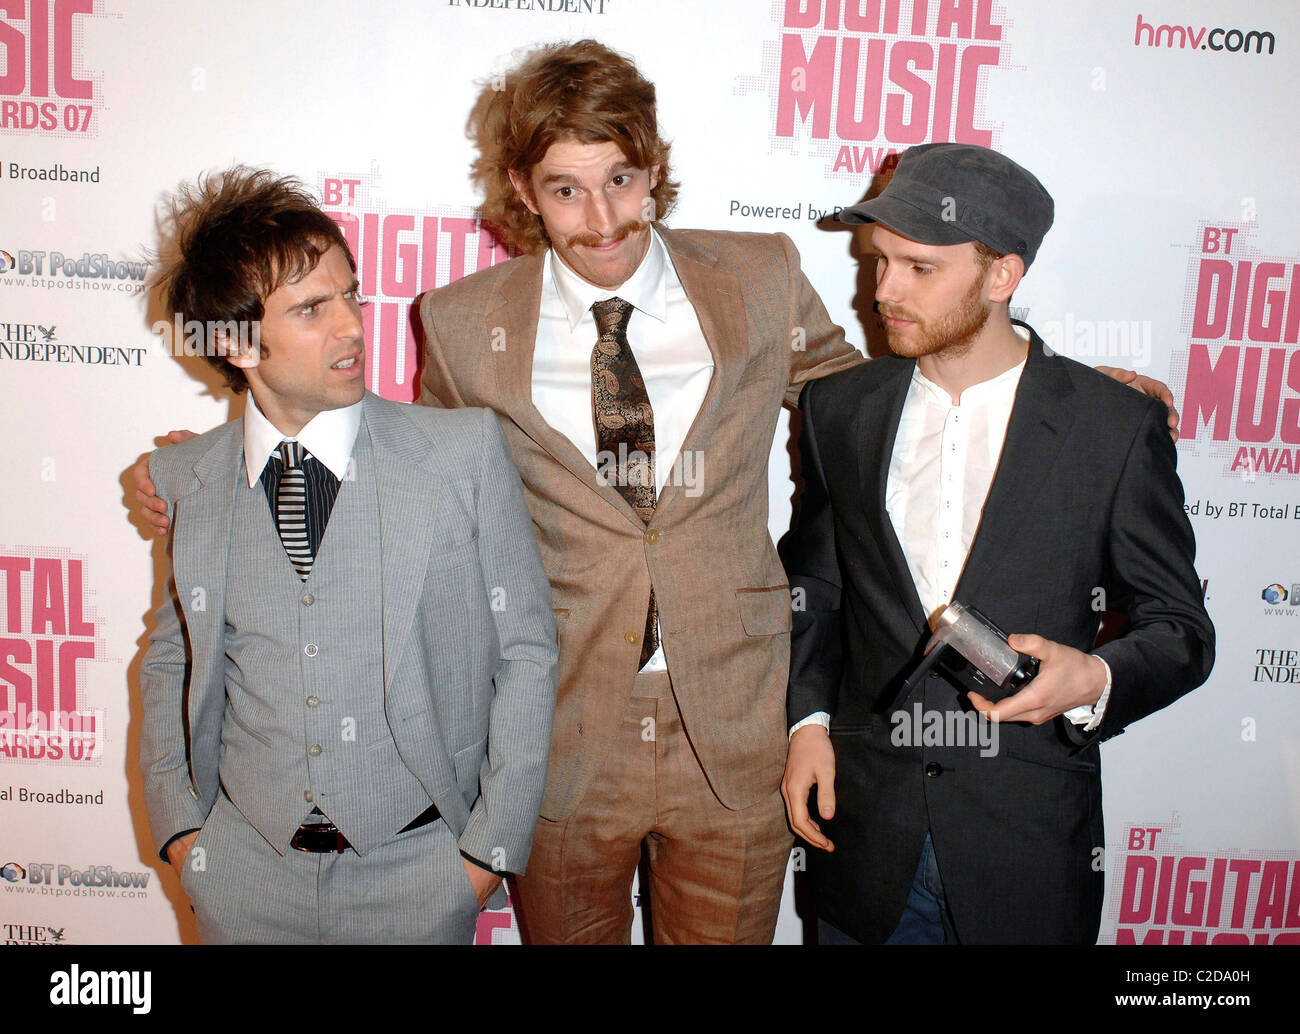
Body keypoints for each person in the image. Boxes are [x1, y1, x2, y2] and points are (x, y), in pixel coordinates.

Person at [134, 42, 1175, 944]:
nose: (602, 219)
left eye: (623, 179)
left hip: (737, 723)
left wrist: (1056, 383)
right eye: (564, 189)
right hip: (558, 729)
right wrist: (218, 455)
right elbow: (398, 464)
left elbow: (880, 396)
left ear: (655, 169)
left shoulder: (757, 276)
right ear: (520, 189)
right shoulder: (460, 321)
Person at [779, 143, 1215, 944]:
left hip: (1027, 849)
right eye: (881, 263)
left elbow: (1182, 632)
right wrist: (806, 726)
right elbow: (818, 588)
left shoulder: (1109, 426)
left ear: (1002, 275)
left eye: (920, 268)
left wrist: (1095, 676)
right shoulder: (838, 408)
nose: (884, 293)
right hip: (866, 839)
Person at [138, 167, 557, 944]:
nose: (353, 327)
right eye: (311, 309)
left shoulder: (460, 453)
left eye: (351, 295)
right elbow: (174, 660)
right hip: (244, 878)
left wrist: (482, 856)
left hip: (420, 870)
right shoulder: (187, 478)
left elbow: (527, 651)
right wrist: (185, 838)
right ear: (232, 341)